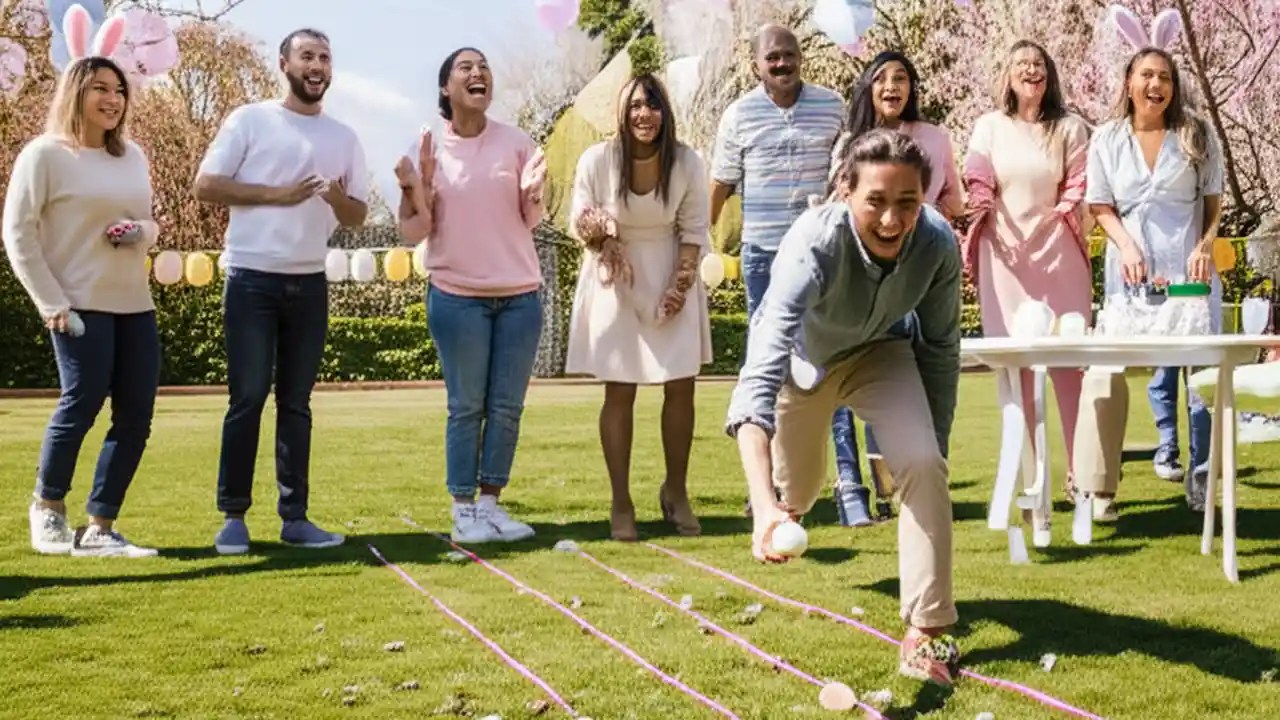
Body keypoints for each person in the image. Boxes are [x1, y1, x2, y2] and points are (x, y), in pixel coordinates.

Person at [726, 129, 962, 686]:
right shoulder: (812, 243)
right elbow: (759, 374)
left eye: (907, 203)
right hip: (805, 366)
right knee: (797, 494)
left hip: (882, 352)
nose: (890, 220)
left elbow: (941, 350)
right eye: (875, 202)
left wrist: (932, 454)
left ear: (923, 200)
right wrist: (764, 507)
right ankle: (788, 501)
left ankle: (925, 632)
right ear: (845, 191)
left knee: (923, 465)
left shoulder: (937, 244)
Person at [193, 28, 368, 554]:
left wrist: (337, 198)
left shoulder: (344, 138)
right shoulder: (250, 120)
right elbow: (205, 186)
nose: (316, 66)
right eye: (307, 56)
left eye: (325, 58)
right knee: (247, 398)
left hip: (309, 281)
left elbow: (358, 216)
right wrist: (280, 195)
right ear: (285, 64)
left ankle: (295, 519)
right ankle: (233, 519)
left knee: (296, 403)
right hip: (251, 279)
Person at [3, 56, 162, 557]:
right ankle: (48, 508)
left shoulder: (132, 155)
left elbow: (150, 224)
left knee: (136, 414)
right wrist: (51, 302)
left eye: (119, 90)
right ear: (76, 93)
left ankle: (101, 527)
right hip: (75, 305)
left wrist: (140, 232)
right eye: (100, 89)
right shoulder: (45, 155)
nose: (113, 99)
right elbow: (18, 233)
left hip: (135, 305)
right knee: (82, 401)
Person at [709, 24, 867, 525]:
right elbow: (719, 187)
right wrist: (698, 248)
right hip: (764, 257)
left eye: (789, 55)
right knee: (768, 371)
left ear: (802, 57)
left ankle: (849, 491)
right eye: (772, 58)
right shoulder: (738, 115)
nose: (781, 64)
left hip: (824, 254)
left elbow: (848, 177)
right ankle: (771, 490)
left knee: (832, 364)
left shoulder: (832, 105)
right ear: (757, 64)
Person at [395, 46, 548, 544]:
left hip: (520, 297)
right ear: (446, 88)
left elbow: (530, 220)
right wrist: (415, 191)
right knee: (466, 406)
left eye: (484, 67)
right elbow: (412, 233)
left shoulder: (518, 142)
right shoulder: (431, 151)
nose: (478, 73)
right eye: (466, 67)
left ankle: (490, 506)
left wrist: (534, 194)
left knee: (506, 407)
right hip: (457, 296)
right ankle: (463, 509)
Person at [565, 72, 713, 541]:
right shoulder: (597, 160)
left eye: (651, 105)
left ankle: (677, 490)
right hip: (615, 277)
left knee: (681, 385)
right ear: (621, 114)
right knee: (620, 390)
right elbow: (579, 218)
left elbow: (694, 229)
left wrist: (680, 285)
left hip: (671, 268)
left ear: (664, 112)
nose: (643, 114)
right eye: (634, 106)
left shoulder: (688, 162)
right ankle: (621, 501)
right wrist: (601, 233)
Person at [1079, 41, 1224, 515]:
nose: (1155, 85)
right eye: (1147, 75)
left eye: (1164, 77)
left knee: (1200, 374)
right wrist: (1125, 244)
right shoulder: (1106, 139)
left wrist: (1203, 249)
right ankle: (1101, 487)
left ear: (1173, 87)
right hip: (1130, 275)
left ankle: (1201, 477)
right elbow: (1099, 204)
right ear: (1129, 82)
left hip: (1188, 273)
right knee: (1107, 374)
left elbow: (1213, 202)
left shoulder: (1196, 133)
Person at [827, 50, 966, 521]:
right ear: (868, 87)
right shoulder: (852, 142)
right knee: (846, 374)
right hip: (861, 273)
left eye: (902, 78)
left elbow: (955, 199)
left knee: (897, 375)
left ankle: (895, 482)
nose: (892, 86)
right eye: (882, 78)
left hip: (917, 273)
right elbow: (835, 201)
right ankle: (850, 487)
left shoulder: (933, 137)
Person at [962, 41, 1093, 524]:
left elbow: (1078, 185)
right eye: (1021, 65)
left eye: (1037, 65)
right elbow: (977, 181)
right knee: (1019, 375)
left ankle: (1084, 479)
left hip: (1059, 253)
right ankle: (1033, 486)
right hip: (1004, 257)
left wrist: (1052, 221)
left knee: (1070, 369)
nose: (1030, 72)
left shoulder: (1071, 127)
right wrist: (993, 219)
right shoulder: (989, 127)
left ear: (1049, 74)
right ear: (1008, 75)